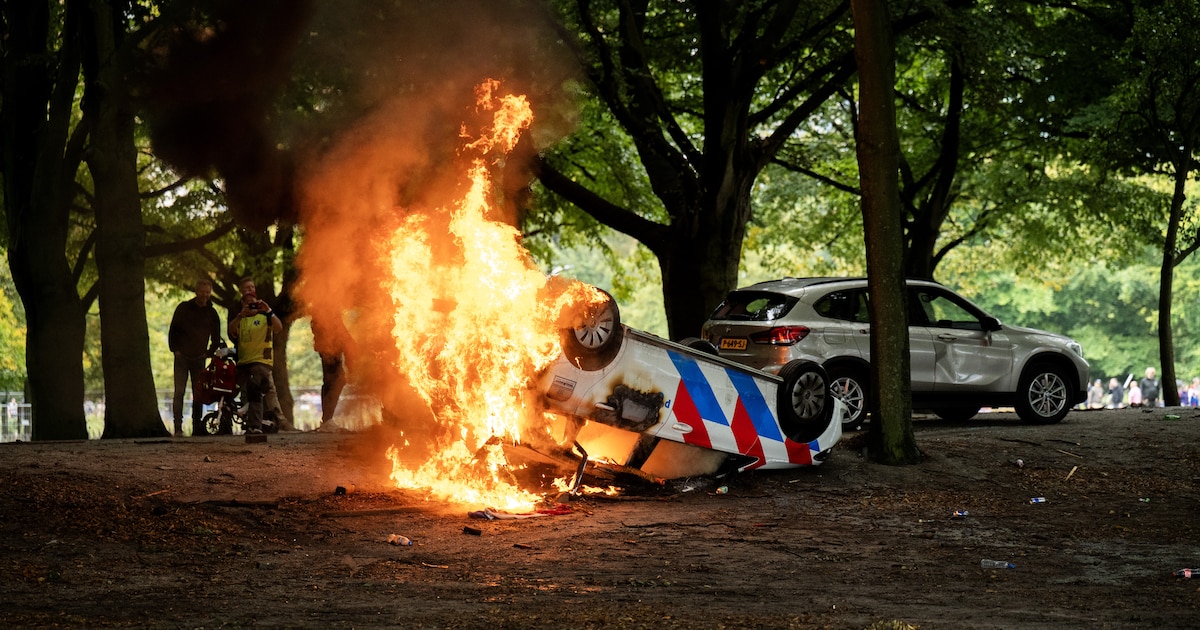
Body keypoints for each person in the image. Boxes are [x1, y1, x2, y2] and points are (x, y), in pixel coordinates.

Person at [228, 277, 283, 434]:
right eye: (246, 290)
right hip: (244, 362)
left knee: (254, 388)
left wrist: (268, 310)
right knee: (238, 390)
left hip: (261, 361)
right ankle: (248, 423)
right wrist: (240, 315)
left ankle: (255, 426)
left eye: (252, 288)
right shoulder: (241, 317)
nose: (251, 305)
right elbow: (232, 331)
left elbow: (279, 327)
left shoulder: (265, 315)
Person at [168, 278, 221, 437]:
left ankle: (197, 426)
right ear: (196, 292)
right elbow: (173, 331)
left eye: (207, 292)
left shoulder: (212, 313)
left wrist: (209, 353)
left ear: (210, 293)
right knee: (179, 392)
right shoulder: (183, 308)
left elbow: (216, 338)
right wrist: (175, 350)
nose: (205, 295)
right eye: (202, 291)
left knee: (198, 393)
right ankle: (178, 427)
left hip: (199, 358)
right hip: (182, 357)